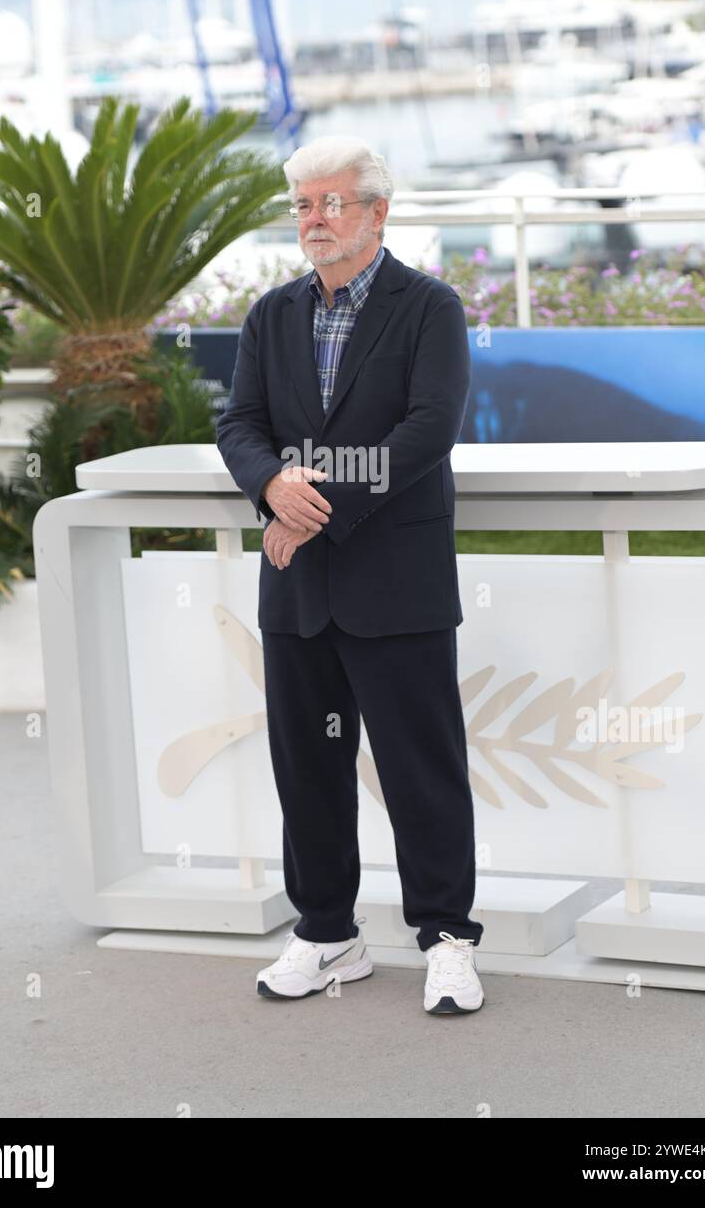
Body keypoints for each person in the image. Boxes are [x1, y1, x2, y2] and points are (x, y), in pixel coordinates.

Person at [215, 135, 485, 1014]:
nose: (314, 221)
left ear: (377, 211)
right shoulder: (271, 315)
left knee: (421, 768)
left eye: (331, 203)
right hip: (299, 591)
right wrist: (269, 485)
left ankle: (447, 939)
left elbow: (427, 432)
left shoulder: (430, 309)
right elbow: (240, 424)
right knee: (309, 768)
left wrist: (308, 504)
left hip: (395, 582)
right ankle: (327, 934)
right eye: (302, 206)